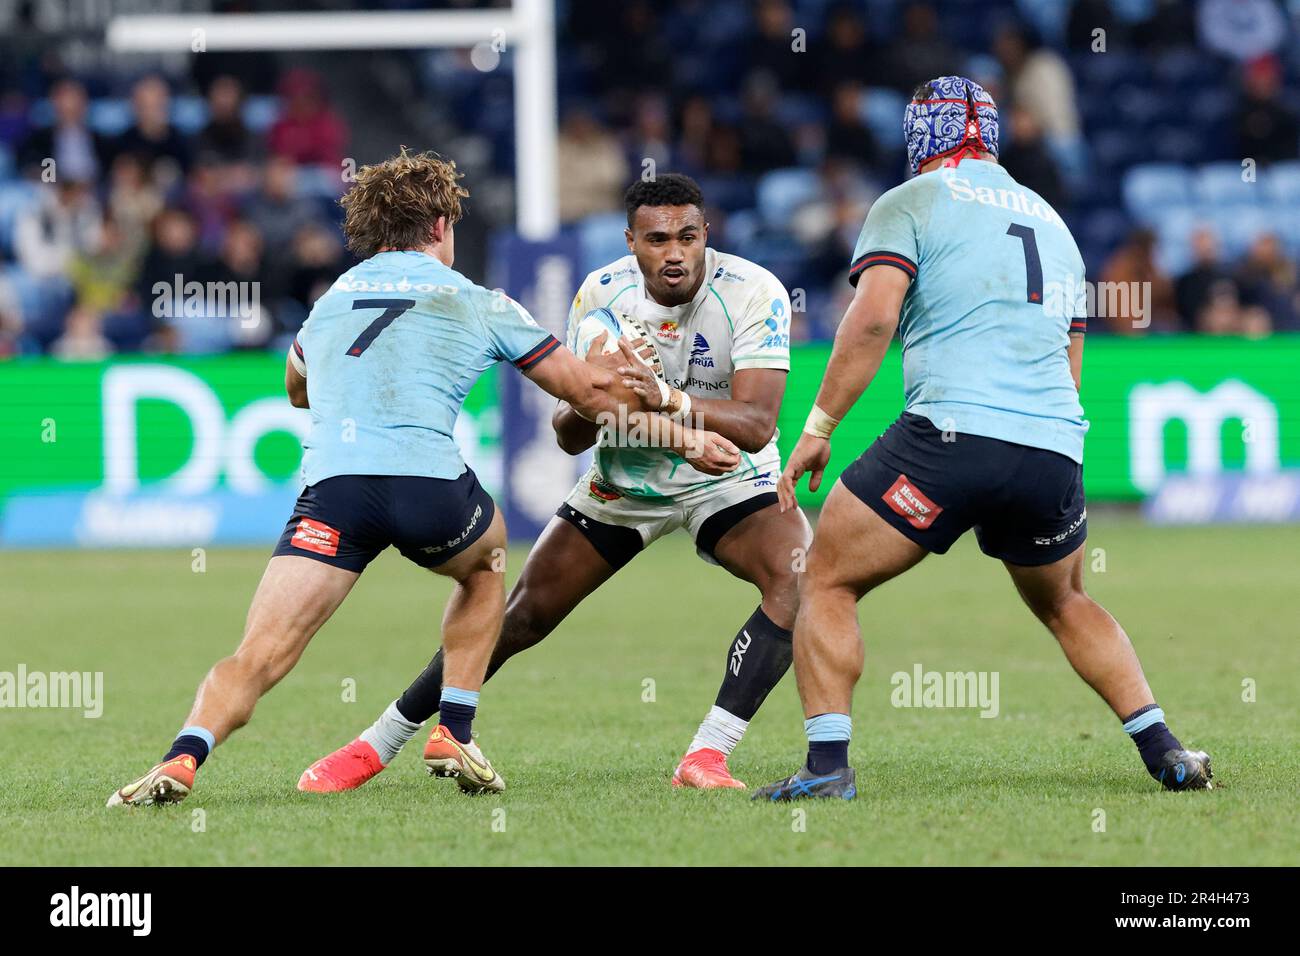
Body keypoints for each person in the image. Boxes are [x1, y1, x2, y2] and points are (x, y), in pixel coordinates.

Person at [107, 151, 739, 807]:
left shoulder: (331, 301)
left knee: (258, 654)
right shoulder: (478, 300)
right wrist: (679, 427)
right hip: (428, 490)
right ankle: (455, 730)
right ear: (441, 223)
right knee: (488, 561)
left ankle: (183, 757)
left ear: (378, 229)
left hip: (334, 493)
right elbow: (584, 393)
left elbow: (296, 389)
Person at [755, 77, 1212, 800]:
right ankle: (1165, 749)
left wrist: (818, 430)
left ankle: (827, 767)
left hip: (950, 435)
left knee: (829, 580)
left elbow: (872, 321)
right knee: (1067, 602)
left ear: (919, 135)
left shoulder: (908, 203)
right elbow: (1072, 357)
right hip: (1052, 446)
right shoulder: (1054, 222)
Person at [301, 173, 812, 793]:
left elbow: (756, 425)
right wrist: (599, 397)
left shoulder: (756, 291)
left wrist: (664, 398)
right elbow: (569, 434)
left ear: (706, 234)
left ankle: (706, 756)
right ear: (631, 242)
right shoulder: (600, 294)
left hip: (728, 475)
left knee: (798, 576)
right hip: (624, 482)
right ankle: (375, 744)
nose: (674, 253)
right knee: (520, 616)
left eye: (687, 237)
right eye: (657, 240)